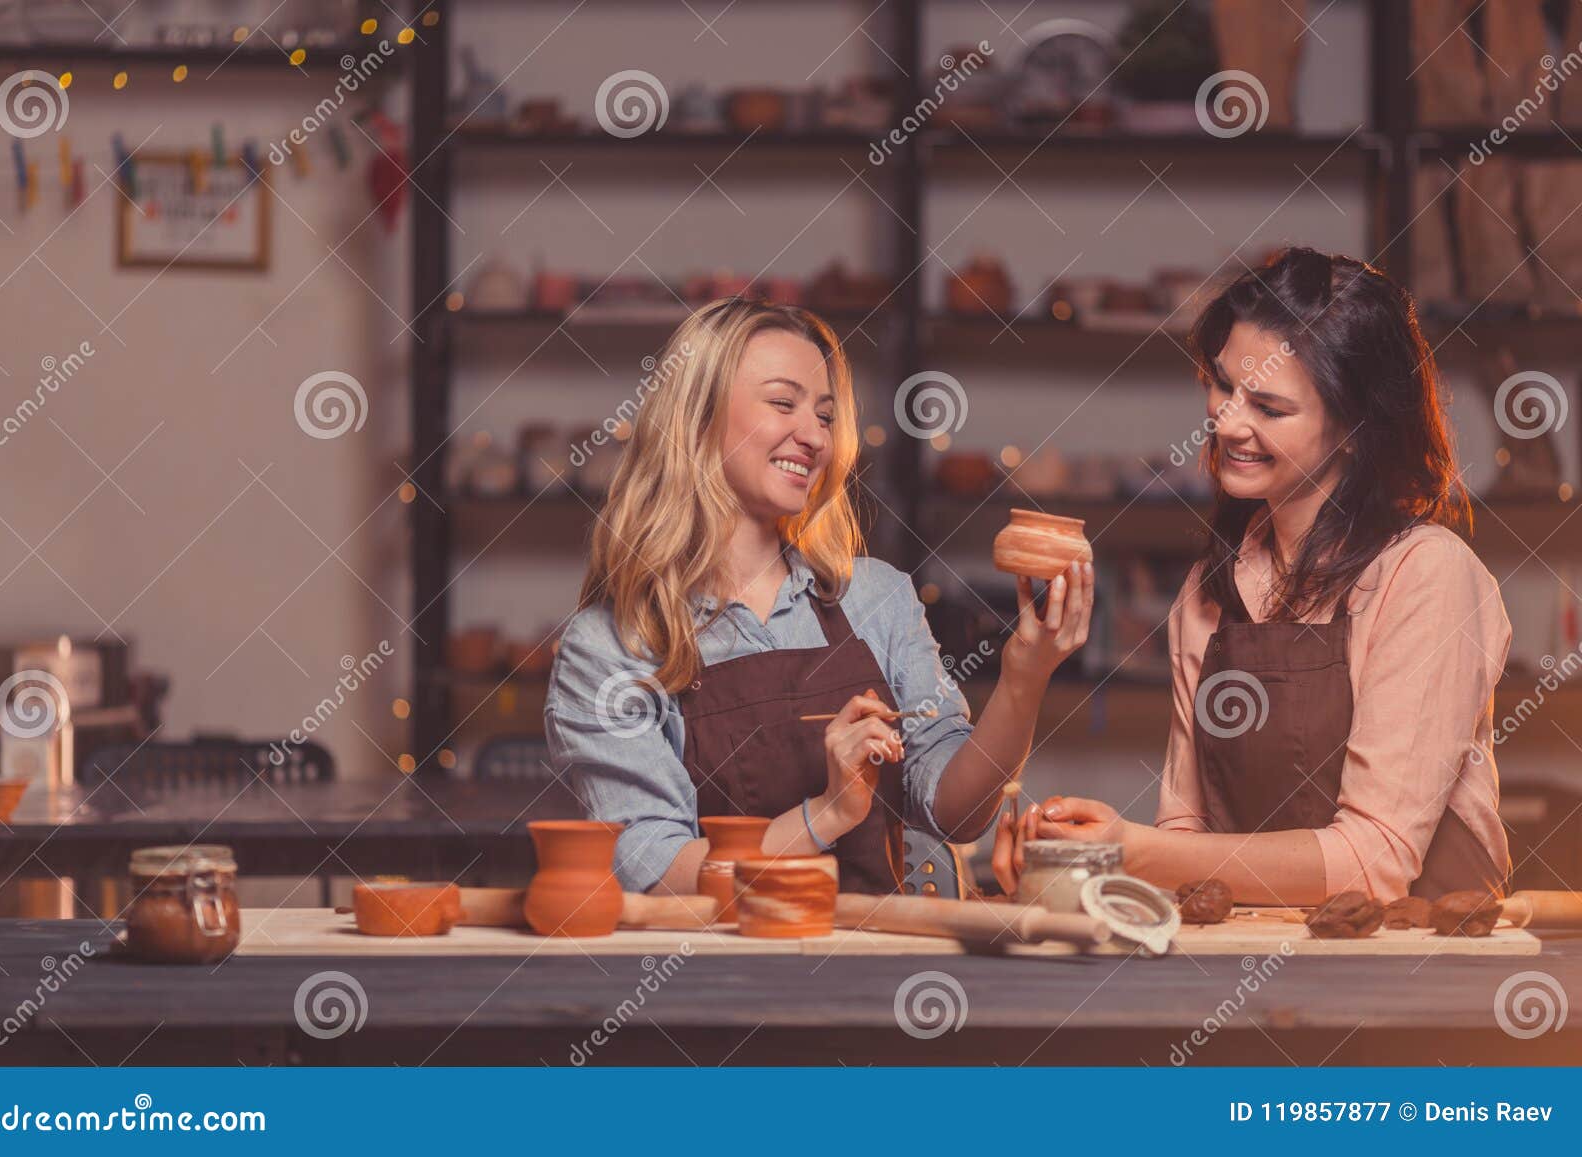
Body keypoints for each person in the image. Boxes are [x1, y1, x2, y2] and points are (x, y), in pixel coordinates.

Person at [995, 248, 1510, 905]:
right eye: (1221, 384)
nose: (1227, 420)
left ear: (1354, 425)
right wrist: (1079, 865)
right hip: (1239, 974)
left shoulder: (1426, 576)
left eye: (1268, 406)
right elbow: (1187, 834)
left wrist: (1129, 848)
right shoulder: (1211, 588)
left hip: (1409, 977)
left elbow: (1373, 860)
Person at [545, 297, 1094, 895]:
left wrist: (1024, 677)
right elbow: (655, 872)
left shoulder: (875, 598)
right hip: (716, 977)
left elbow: (957, 814)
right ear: (696, 418)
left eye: (826, 416)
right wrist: (826, 813)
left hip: (880, 965)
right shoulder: (611, 646)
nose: (813, 436)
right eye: (784, 403)